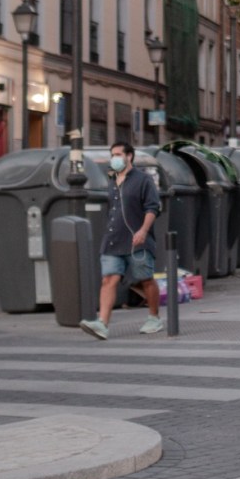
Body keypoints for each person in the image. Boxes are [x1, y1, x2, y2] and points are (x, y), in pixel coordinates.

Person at [81, 141, 164, 341]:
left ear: (130, 157)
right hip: (113, 239)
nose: (115, 158)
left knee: (145, 279)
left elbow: (153, 208)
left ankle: (154, 318)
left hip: (137, 240)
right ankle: (102, 323)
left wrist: (144, 230)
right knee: (109, 279)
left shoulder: (143, 180)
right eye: (113, 155)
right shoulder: (112, 180)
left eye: (118, 154)